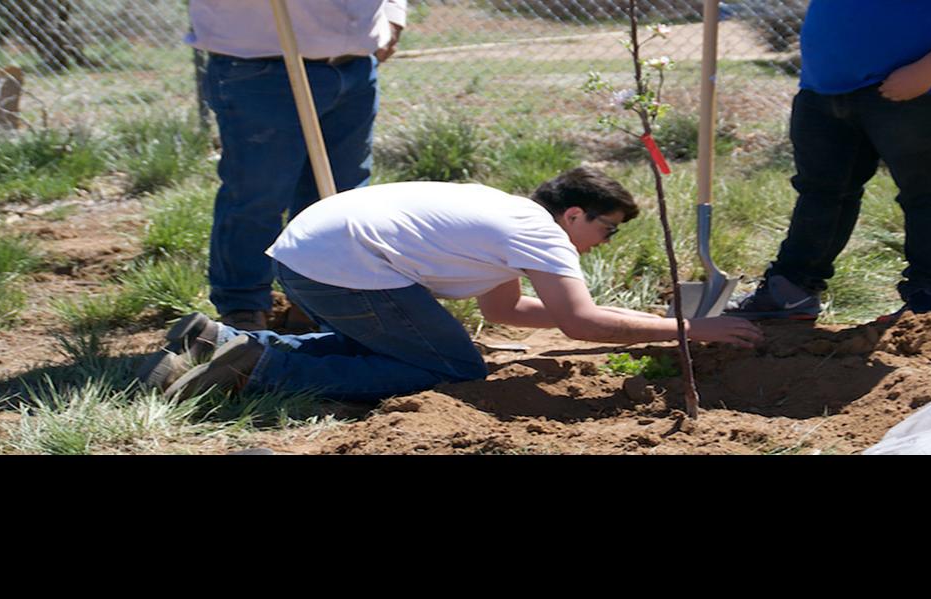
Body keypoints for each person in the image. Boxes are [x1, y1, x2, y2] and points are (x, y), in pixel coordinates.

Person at [136, 168, 764, 402]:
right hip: (344, 265)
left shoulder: (508, 218)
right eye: (608, 229)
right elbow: (579, 326)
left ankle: (219, 341)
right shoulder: (540, 233)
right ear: (573, 214)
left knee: (406, 348)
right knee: (451, 367)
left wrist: (613, 314)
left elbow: (511, 312)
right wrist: (689, 329)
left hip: (310, 254)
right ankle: (262, 372)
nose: (605, 241)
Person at [727, 0, 931, 322]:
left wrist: (929, 69)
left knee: (930, 194)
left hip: (924, 92)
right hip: (825, 88)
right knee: (821, 192)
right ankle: (791, 291)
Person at [187, 0, 407, 331]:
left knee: (338, 197)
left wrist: (393, 15)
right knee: (258, 193)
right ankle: (244, 309)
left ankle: (319, 302)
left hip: (356, 67)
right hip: (259, 67)